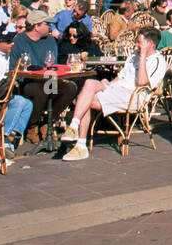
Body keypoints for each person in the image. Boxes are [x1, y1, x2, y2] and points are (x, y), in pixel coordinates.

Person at [60, 27, 165, 161]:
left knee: (84, 99)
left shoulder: (158, 61)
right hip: (117, 90)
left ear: (150, 44)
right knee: (89, 84)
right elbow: (121, 76)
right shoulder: (134, 55)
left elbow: (141, 83)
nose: (136, 45)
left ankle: (80, 144)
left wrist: (143, 57)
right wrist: (109, 84)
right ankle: (74, 127)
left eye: (139, 42)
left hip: (133, 97)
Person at [8, 10, 76, 143]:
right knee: (40, 90)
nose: (50, 27)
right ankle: (32, 125)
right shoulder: (19, 40)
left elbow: (53, 64)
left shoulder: (50, 40)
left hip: (48, 80)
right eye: (47, 24)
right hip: (27, 82)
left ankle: (48, 122)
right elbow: (13, 68)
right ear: (36, 26)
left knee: (70, 88)